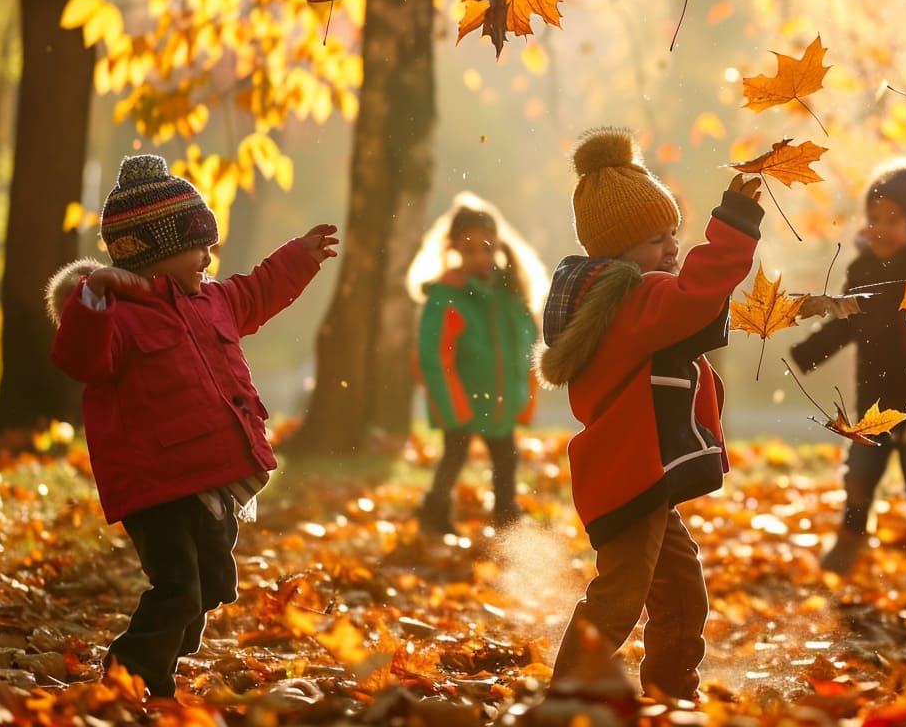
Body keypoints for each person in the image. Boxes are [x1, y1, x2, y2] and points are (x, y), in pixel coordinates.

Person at [47, 154, 338, 697]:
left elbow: (259, 289)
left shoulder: (215, 301)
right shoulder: (119, 320)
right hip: (157, 484)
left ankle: (159, 653)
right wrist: (93, 300)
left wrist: (299, 257)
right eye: (197, 245)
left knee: (213, 585)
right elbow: (81, 361)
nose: (208, 257)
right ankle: (132, 673)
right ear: (152, 253)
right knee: (179, 586)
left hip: (213, 477)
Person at [536, 127, 763, 701]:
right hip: (631, 479)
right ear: (616, 250)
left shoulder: (619, 302)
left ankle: (669, 692)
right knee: (619, 598)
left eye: (673, 234)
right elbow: (698, 291)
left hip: (639, 477)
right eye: (655, 239)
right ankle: (563, 696)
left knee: (682, 593)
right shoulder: (632, 302)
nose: (671, 248)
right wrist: (734, 223)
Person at [789, 166, 906, 594]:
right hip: (875, 399)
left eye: (892, 219)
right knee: (858, 475)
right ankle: (850, 539)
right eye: (874, 218)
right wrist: (806, 353)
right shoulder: (861, 271)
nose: (880, 228)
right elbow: (845, 323)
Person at [409, 192, 545, 533]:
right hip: (463, 399)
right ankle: (435, 512)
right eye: (470, 249)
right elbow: (433, 354)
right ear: (454, 248)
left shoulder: (509, 292)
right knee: (454, 457)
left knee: (506, 459)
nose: (480, 256)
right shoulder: (447, 297)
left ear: (498, 245)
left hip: (499, 400)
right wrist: (449, 403)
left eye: (487, 247)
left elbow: (526, 344)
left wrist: (523, 391)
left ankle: (506, 516)